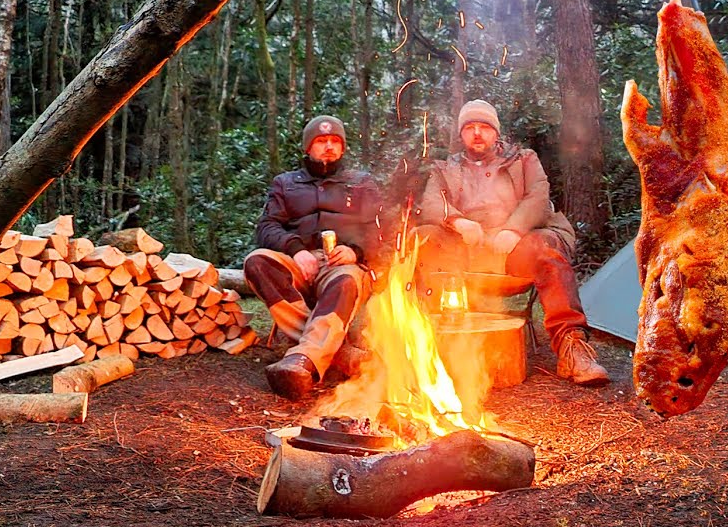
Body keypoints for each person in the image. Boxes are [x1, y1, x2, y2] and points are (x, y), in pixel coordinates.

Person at [417, 99, 610, 386]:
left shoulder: (523, 160)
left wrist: (513, 229)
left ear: (496, 132)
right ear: (461, 135)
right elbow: (431, 203)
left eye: (484, 127)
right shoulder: (445, 168)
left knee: (544, 248)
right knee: (421, 240)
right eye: (470, 127)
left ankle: (572, 347)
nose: (478, 133)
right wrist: (458, 221)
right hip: (463, 255)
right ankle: (418, 345)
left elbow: (538, 195)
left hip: (513, 252)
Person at [243, 115, 382, 400]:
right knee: (257, 262)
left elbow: (380, 230)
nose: (328, 146)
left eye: (335, 141)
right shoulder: (285, 183)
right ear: (308, 147)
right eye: (321, 141)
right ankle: (334, 351)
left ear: (342, 148)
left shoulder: (362, 183)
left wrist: (355, 251)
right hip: (300, 262)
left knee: (346, 281)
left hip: (342, 264)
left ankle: (303, 360)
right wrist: (296, 250)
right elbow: (266, 227)